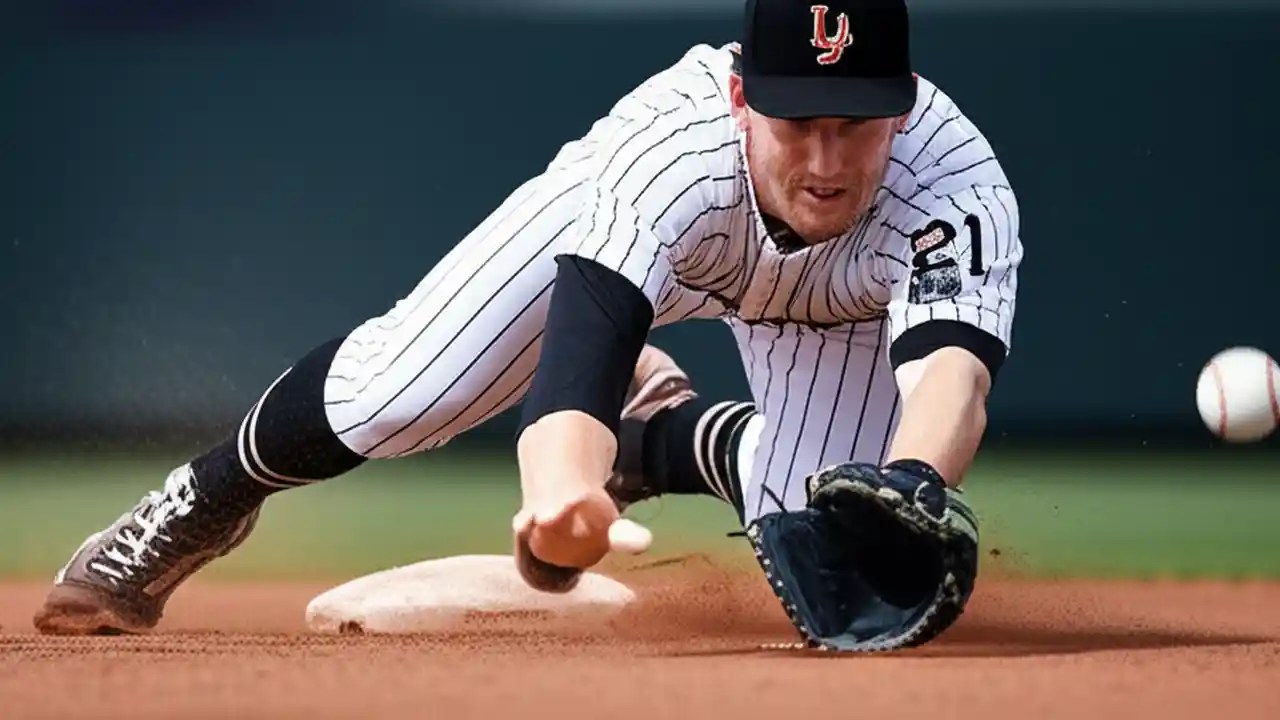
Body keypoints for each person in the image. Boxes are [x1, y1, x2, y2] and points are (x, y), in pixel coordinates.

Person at [36, 0, 1020, 651]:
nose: (824, 157)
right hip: (673, 244)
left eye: (854, 122)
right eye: (796, 117)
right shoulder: (668, 155)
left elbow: (949, 375)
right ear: (737, 98)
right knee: (403, 397)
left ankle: (667, 437)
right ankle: (205, 495)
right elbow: (577, 354)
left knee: (835, 550)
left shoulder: (954, 182)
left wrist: (912, 482)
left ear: (901, 111)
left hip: (833, 306)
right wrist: (556, 502)